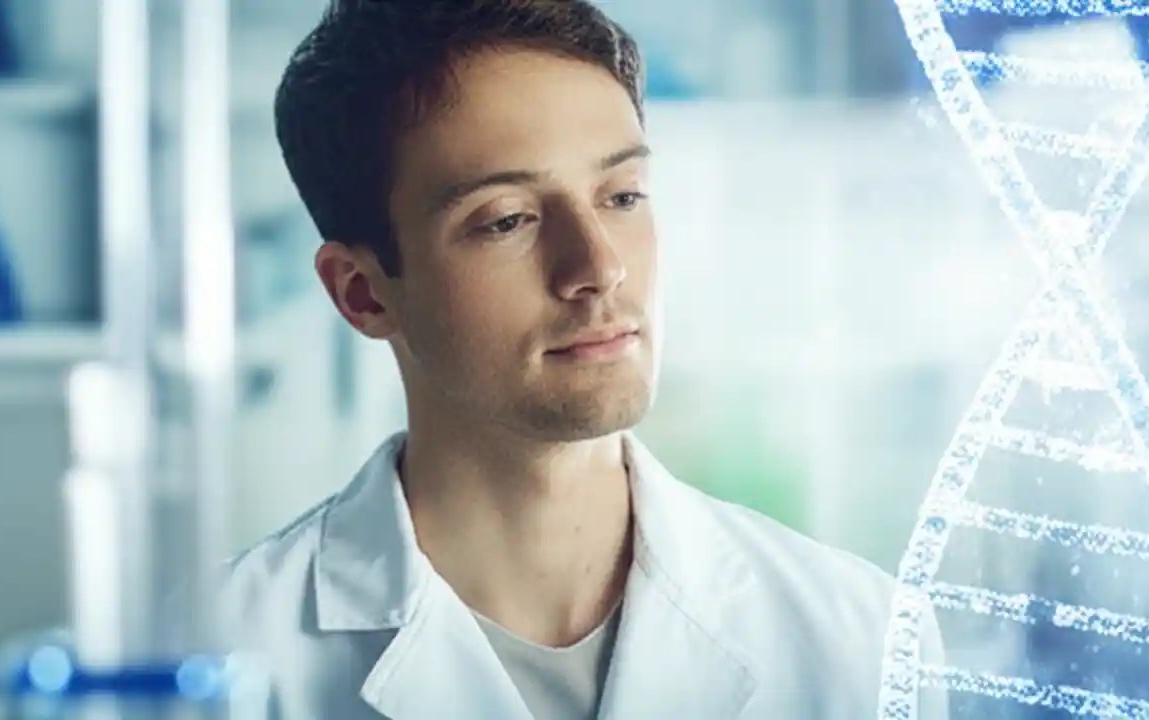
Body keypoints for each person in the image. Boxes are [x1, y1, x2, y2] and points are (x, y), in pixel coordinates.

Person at [219, 1, 947, 718]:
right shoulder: (223, 654)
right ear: (363, 294)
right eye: (506, 220)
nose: (598, 266)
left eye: (622, 196)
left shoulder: (859, 639)